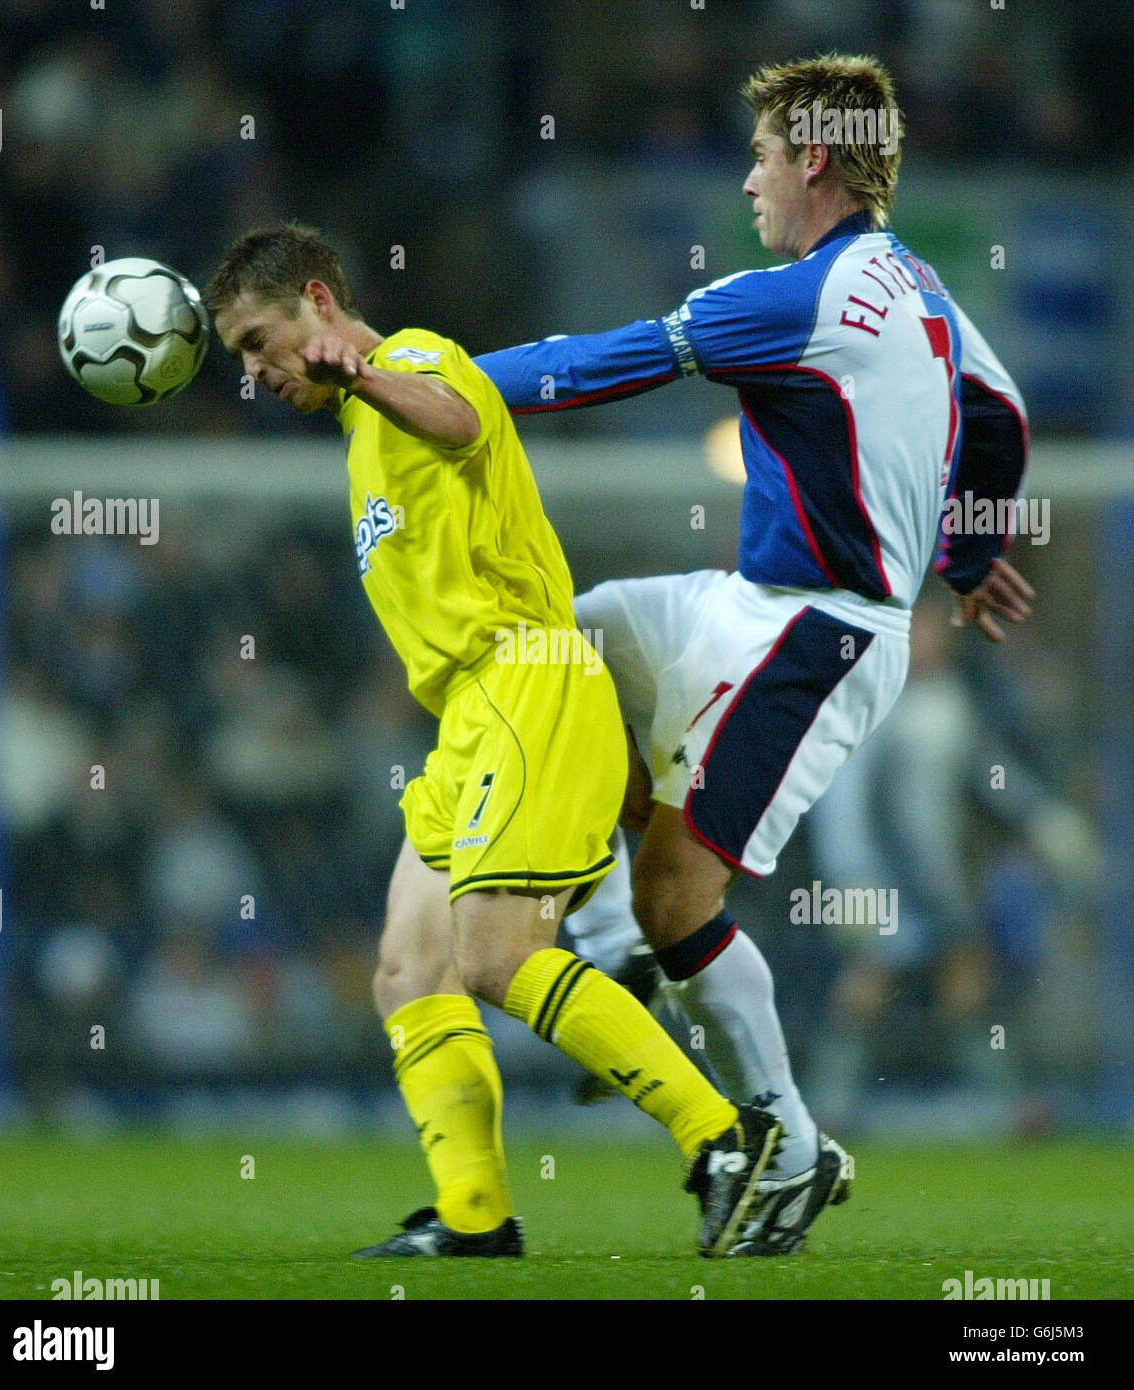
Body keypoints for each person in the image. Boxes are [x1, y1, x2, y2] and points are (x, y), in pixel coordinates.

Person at [474, 54, 1034, 1254]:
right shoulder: (925, 289)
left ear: (813, 160)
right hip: (748, 597)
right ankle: (619, 954)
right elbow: (999, 416)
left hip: (818, 629)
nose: (748, 182)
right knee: (562, 645)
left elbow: (585, 366)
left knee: (683, 887)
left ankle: (784, 1134)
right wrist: (969, 549)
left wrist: (411, 378)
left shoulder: (800, 298)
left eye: (762, 157)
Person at [203, 224, 782, 1260]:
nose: (254, 371)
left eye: (259, 340)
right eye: (240, 356)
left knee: (498, 955)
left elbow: (466, 421)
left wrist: (369, 375)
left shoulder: (412, 361)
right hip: (473, 716)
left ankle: (723, 1140)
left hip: (525, 683)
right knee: (408, 968)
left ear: (320, 305)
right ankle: (475, 1216)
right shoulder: (359, 432)